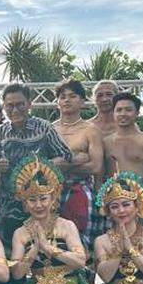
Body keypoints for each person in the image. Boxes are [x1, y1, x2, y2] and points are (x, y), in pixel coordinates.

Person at [2, 156, 103, 284]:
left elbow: (80, 260)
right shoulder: (20, 233)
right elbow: (17, 273)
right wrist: (34, 250)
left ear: (53, 198)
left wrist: (50, 249)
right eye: (32, 200)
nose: (38, 205)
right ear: (25, 203)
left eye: (43, 198)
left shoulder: (66, 226)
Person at [0, 83, 73, 241]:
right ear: (4, 107)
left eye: (20, 104)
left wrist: (41, 166)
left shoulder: (45, 128)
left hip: (43, 204)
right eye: (10, 105)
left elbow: (66, 157)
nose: (15, 110)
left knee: (48, 246)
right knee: (14, 248)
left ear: (29, 103)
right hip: (10, 207)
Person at [97, 92, 143, 243]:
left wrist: (142, 202)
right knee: (113, 245)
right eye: (119, 110)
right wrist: (104, 202)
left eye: (128, 110)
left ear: (137, 112)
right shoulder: (105, 142)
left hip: (142, 203)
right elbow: (99, 177)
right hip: (113, 204)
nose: (123, 114)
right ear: (113, 113)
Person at [53, 79, 105, 246]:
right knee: (54, 240)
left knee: (81, 242)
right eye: (62, 97)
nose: (67, 100)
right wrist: (77, 159)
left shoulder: (91, 130)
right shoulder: (49, 129)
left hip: (80, 190)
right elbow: (44, 165)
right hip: (51, 193)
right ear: (57, 102)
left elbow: (95, 166)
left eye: (72, 96)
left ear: (82, 101)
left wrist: (62, 164)